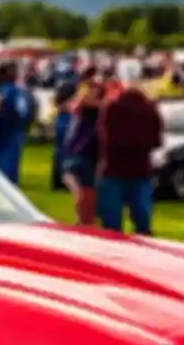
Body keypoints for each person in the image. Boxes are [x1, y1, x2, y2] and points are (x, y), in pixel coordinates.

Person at [95, 80, 162, 235]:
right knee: (142, 220)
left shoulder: (111, 109)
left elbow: (103, 138)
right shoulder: (150, 110)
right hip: (141, 169)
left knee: (111, 225)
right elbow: (157, 141)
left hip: (113, 168)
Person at [62, 82, 103, 226]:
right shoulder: (94, 112)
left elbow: (74, 105)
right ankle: (85, 219)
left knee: (82, 189)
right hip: (84, 154)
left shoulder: (81, 113)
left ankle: (84, 219)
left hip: (78, 153)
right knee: (87, 190)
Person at [0, 61, 33, 185]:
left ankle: (1, 176)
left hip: (0, 122)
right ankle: (9, 178)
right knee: (11, 152)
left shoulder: (0, 90)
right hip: (14, 125)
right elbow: (22, 110)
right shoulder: (16, 91)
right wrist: (24, 122)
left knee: (1, 150)